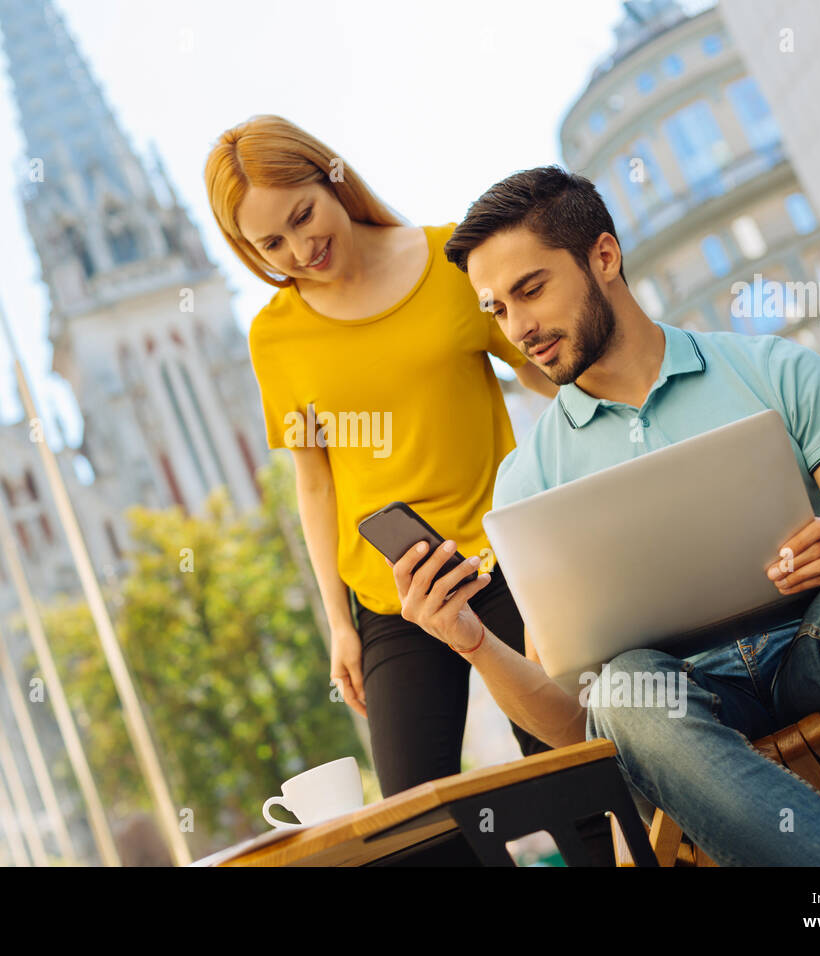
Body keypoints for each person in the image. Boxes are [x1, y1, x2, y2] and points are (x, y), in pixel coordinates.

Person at [391, 164, 820, 866]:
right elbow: (579, 723)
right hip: (679, 712)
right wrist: (473, 644)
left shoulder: (774, 371)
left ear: (603, 257)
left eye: (531, 289)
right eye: (496, 309)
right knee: (623, 692)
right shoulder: (529, 481)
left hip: (816, 650)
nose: (519, 328)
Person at [202, 115, 563, 801]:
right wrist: (340, 625)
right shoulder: (275, 337)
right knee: (413, 822)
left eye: (304, 217)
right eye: (269, 243)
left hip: (512, 564)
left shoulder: (449, 261)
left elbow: (547, 374)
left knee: (570, 779)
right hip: (392, 598)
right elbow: (315, 487)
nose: (299, 250)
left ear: (331, 177)